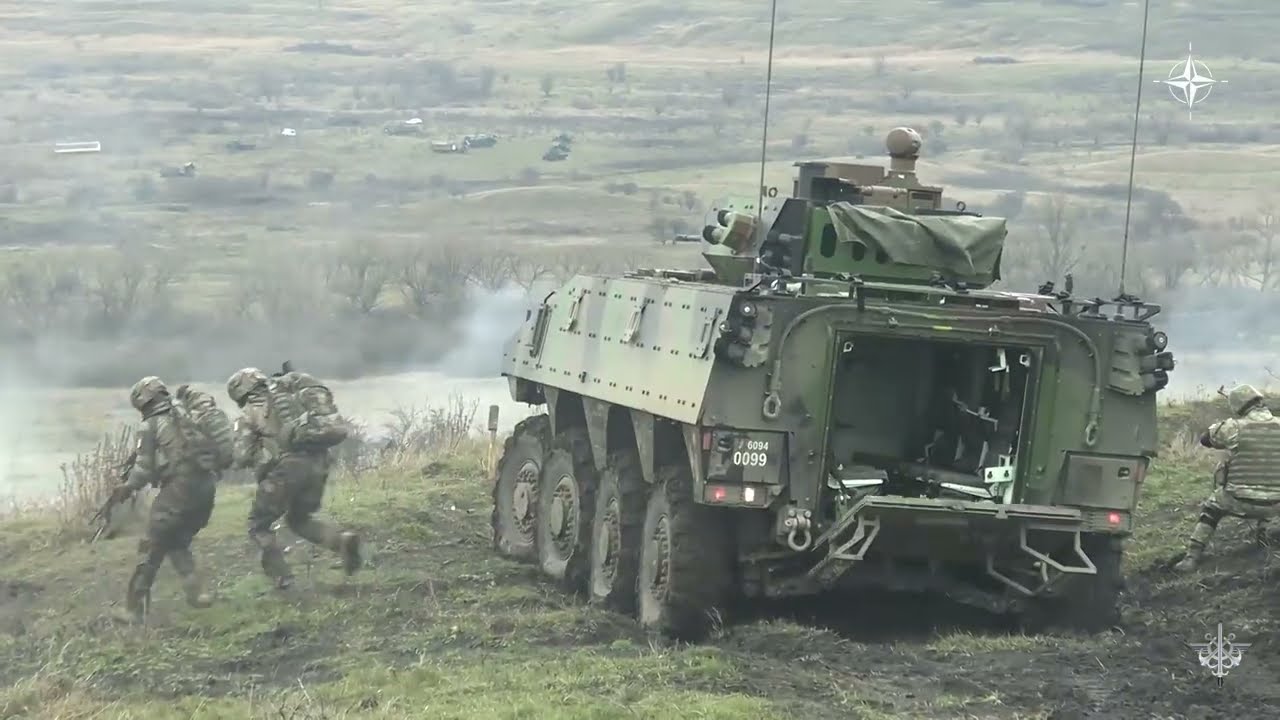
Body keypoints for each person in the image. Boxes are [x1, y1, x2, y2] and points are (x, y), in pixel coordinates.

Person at [226, 367, 362, 589]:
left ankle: (283, 577)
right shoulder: (290, 396)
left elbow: (241, 456)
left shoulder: (251, 411)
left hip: (287, 470)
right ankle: (342, 540)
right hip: (319, 464)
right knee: (298, 519)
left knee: (258, 525)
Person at [109, 376, 219, 622]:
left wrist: (127, 487)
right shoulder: (187, 413)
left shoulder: (150, 425)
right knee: (177, 541)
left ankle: (133, 610)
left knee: (152, 545)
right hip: (206, 488)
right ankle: (198, 592)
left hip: (178, 490)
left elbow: (144, 468)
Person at [1174, 384, 1280, 572]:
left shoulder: (1235, 428)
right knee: (1270, 492)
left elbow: (1206, 439)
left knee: (1212, 508)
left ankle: (1192, 557)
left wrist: (1224, 426)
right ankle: (1263, 539)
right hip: (1276, 504)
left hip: (1238, 500)